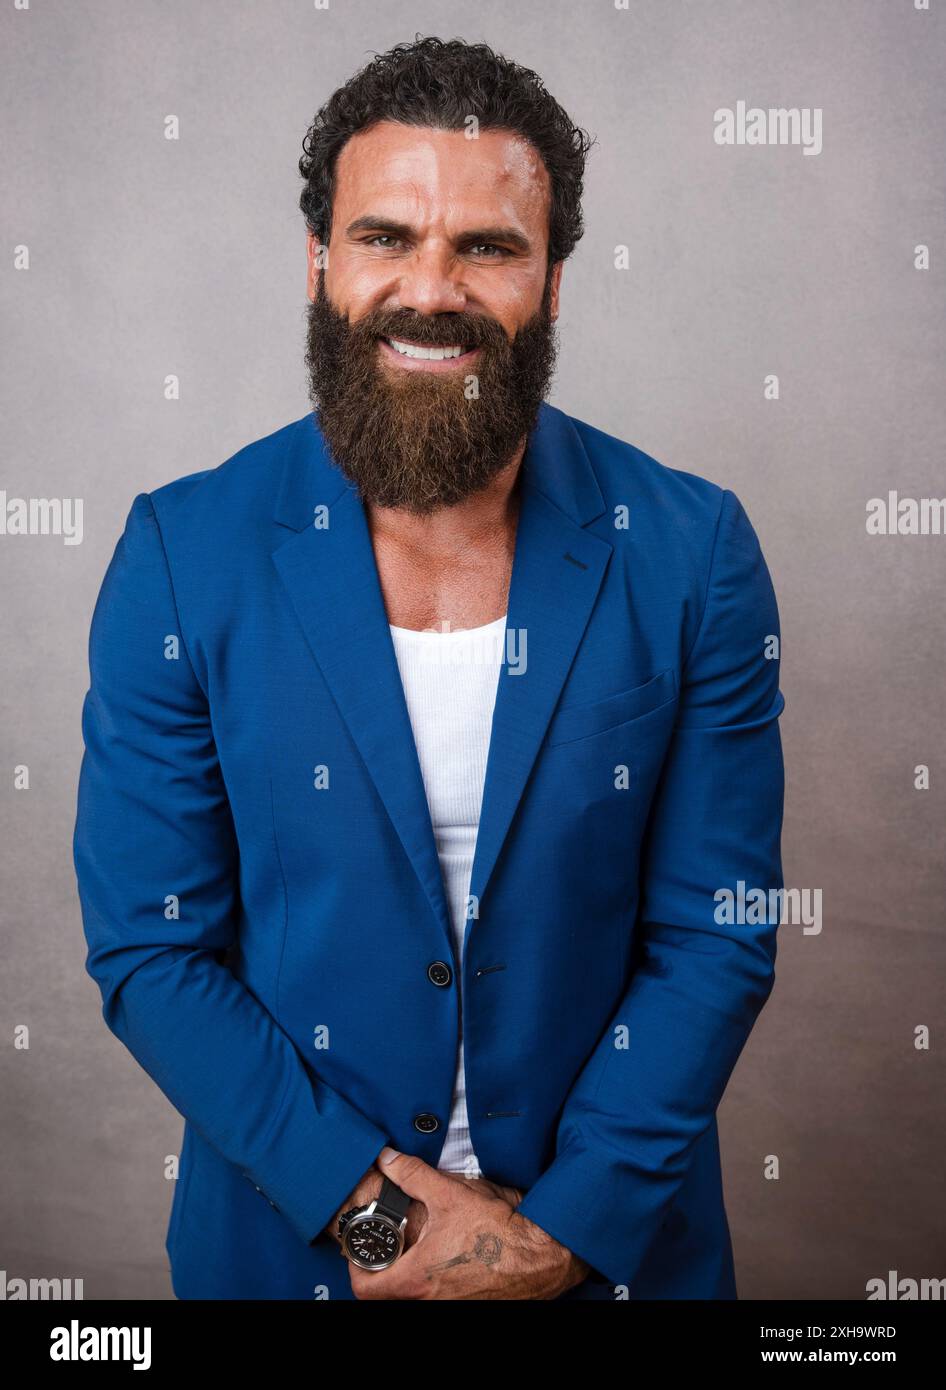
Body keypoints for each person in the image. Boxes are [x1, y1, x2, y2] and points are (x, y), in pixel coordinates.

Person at [73, 35, 785, 1300]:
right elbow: (151, 950)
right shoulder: (183, 554)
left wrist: (554, 1240)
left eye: (488, 247)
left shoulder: (691, 550)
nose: (431, 289)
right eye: (386, 237)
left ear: (553, 283)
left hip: (609, 1259)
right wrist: (379, 1222)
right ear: (320, 262)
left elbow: (713, 933)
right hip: (292, 1255)